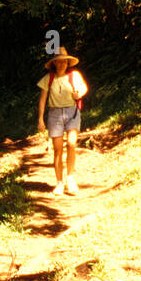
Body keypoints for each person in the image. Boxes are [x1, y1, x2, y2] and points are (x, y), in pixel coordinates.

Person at [36, 47, 88, 197]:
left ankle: (70, 179)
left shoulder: (74, 75)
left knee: (72, 144)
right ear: (54, 63)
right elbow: (42, 100)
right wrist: (40, 119)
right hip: (54, 114)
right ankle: (59, 182)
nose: (61, 64)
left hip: (72, 112)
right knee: (58, 149)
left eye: (64, 61)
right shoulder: (48, 78)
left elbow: (83, 88)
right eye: (58, 62)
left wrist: (79, 94)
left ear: (67, 62)